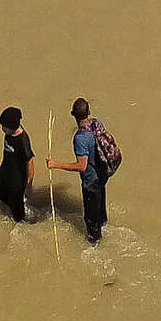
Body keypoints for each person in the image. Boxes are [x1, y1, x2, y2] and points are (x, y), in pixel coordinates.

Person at [48, 98, 107, 245]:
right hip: (102, 175)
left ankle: (95, 243)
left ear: (73, 114)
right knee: (100, 211)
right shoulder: (97, 123)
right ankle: (103, 225)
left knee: (90, 219)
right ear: (89, 112)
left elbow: (82, 166)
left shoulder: (80, 139)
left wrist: (56, 165)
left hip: (90, 182)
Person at [0, 106, 34, 223]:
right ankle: (13, 205)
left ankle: (24, 222)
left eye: (4, 127)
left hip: (17, 179)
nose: (2, 129)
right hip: (6, 169)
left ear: (12, 127)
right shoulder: (10, 133)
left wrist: (29, 184)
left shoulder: (22, 141)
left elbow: (30, 161)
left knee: (18, 216)